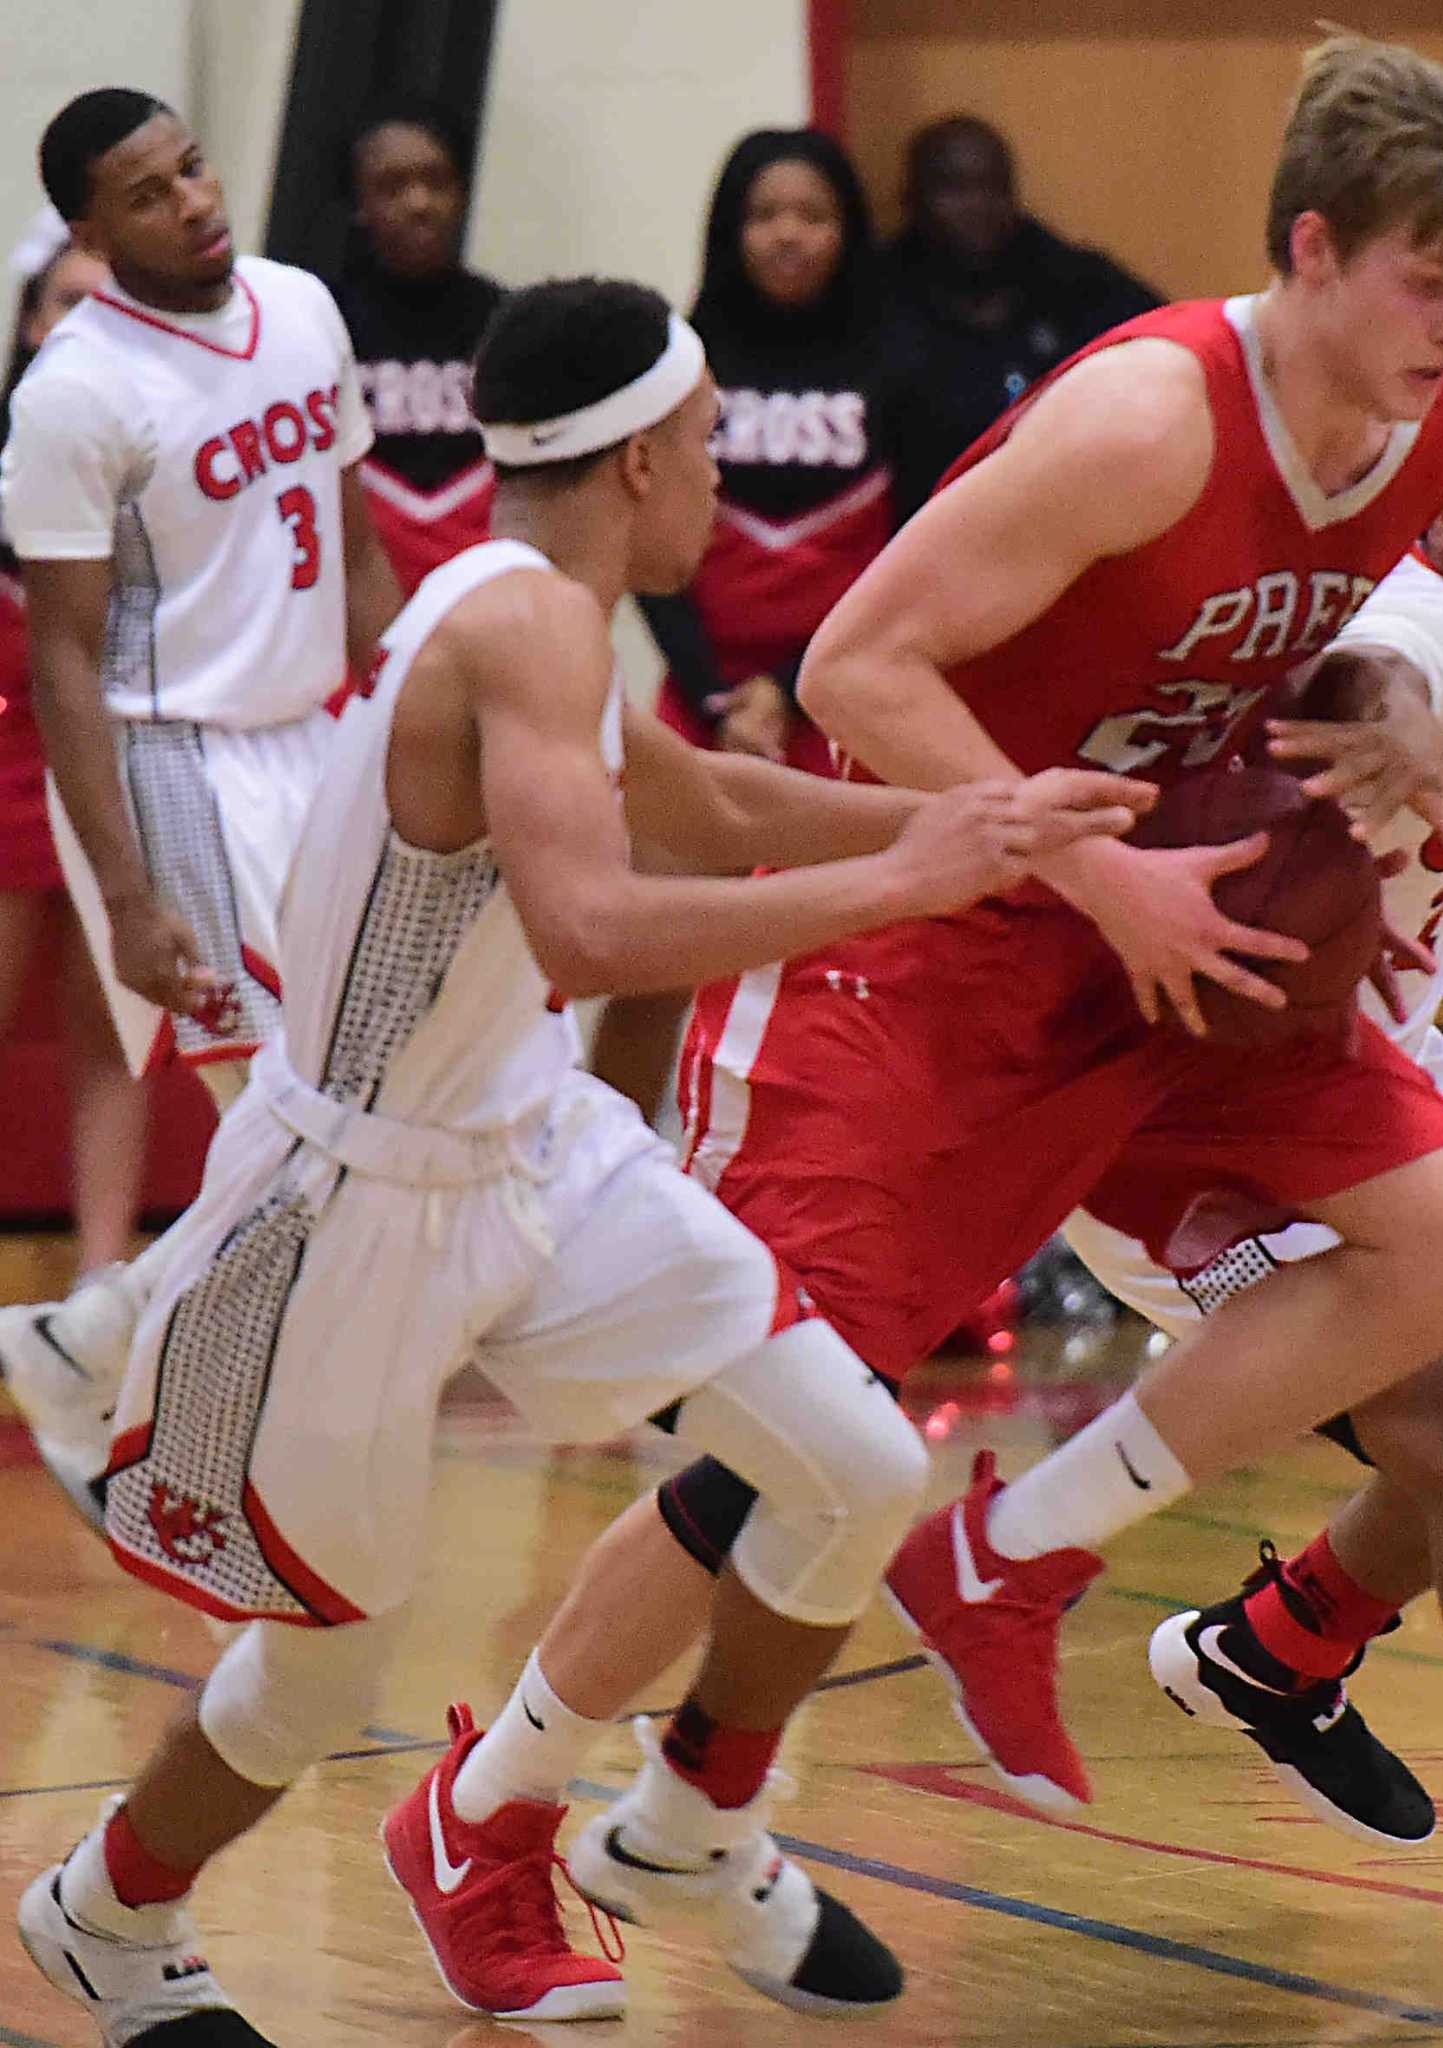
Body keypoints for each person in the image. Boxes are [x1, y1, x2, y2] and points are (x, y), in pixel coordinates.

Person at [680, 34, 1443, 2000]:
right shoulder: (1386, 594)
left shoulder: (1439, 442)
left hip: (1378, 1052)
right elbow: (1331, 671)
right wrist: (1375, 731)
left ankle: (1281, 1639)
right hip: (1187, 1035)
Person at [15, 275, 1152, 2041]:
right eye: (704, 443)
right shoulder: (523, 629)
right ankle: (106, 1911)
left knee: (855, 1457)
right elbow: (600, 923)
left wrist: (970, 825)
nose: (719, 470)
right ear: (635, 461)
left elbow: (704, 805)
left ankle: (691, 1820)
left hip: (527, 1146)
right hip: (360, 1197)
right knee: (327, 1666)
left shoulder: (537, 604)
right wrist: (912, 881)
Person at [0, 88, 404, 1522]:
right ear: (95, 229)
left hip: (320, 737)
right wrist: (123, 894)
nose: (193, 200)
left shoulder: (300, 304)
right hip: (174, 765)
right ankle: (210, 1437)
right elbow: (61, 659)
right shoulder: (73, 391)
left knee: (360, 1114)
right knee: (304, 1124)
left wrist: (415, 715)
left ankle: (83, 1338)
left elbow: (354, 545)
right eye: (150, 192)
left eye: (195, 164)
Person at [641, 127, 900, 775]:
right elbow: (641, 544)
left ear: (850, 230)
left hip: (851, 691)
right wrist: (715, 697)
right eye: (763, 216)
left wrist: (787, 690)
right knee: (667, 872)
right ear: (729, 231)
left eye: (813, 215)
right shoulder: (673, 367)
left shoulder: (906, 364)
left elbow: (923, 544)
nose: (788, 234)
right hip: (705, 698)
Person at [0, 234, 150, 1280]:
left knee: (116, 1029)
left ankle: (102, 1286)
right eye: (65, 302)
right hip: (7, 751)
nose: (81, 326)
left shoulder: (165, 458)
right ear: (27, 319)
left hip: (117, 757)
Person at [885, 114, 1161, 518]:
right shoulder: (879, 293)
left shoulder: (1073, 282)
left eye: (994, 188)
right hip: (916, 532)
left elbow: (1164, 350)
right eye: (955, 189)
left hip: (1058, 524)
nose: (977, 207)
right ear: (913, 199)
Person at [330, 96, 503, 594]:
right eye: (392, 187)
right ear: (359, 203)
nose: (419, 203)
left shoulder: (508, 323)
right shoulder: (319, 322)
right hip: (359, 603)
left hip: (478, 599)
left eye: (437, 181)